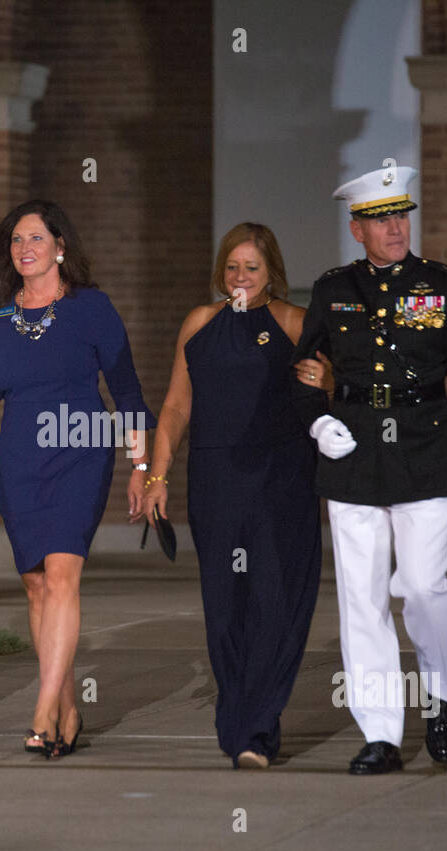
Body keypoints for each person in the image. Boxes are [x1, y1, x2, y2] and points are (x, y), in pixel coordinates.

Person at [291, 165, 447, 774]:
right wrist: (317, 421)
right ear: (357, 229)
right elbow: (304, 367)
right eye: (381, 220)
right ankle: (380, 732)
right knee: (361, 599)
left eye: (400, 216)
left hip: (423, 448)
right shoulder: (333, 290)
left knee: (423, 585)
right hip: (354, 455)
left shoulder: (444, 287)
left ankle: (440, 693)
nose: (394, 228)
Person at [0, 199, 155, 759]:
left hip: (80, 448)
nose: (24, 248)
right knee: (36, 584)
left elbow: (125, 389)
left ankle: (40, 708)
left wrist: (144, 468)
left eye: (36, 238)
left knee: (62, 576)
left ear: (60, 247)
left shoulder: (92, 308)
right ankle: (68, 706)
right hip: (21, 459)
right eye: (15, 240)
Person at [140, 223, 333, 770]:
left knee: (273, 602)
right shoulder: (200, 324)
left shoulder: (296, 322)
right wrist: (158, 474)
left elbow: (328, 391)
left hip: (282, 481)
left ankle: (256, 729)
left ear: (272, 270)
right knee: (225, 609)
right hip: (216, 483)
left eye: (251, 266)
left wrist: (328, 383)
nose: (240, 276)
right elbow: (177, 406)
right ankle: (238, 717)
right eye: (231, 266)